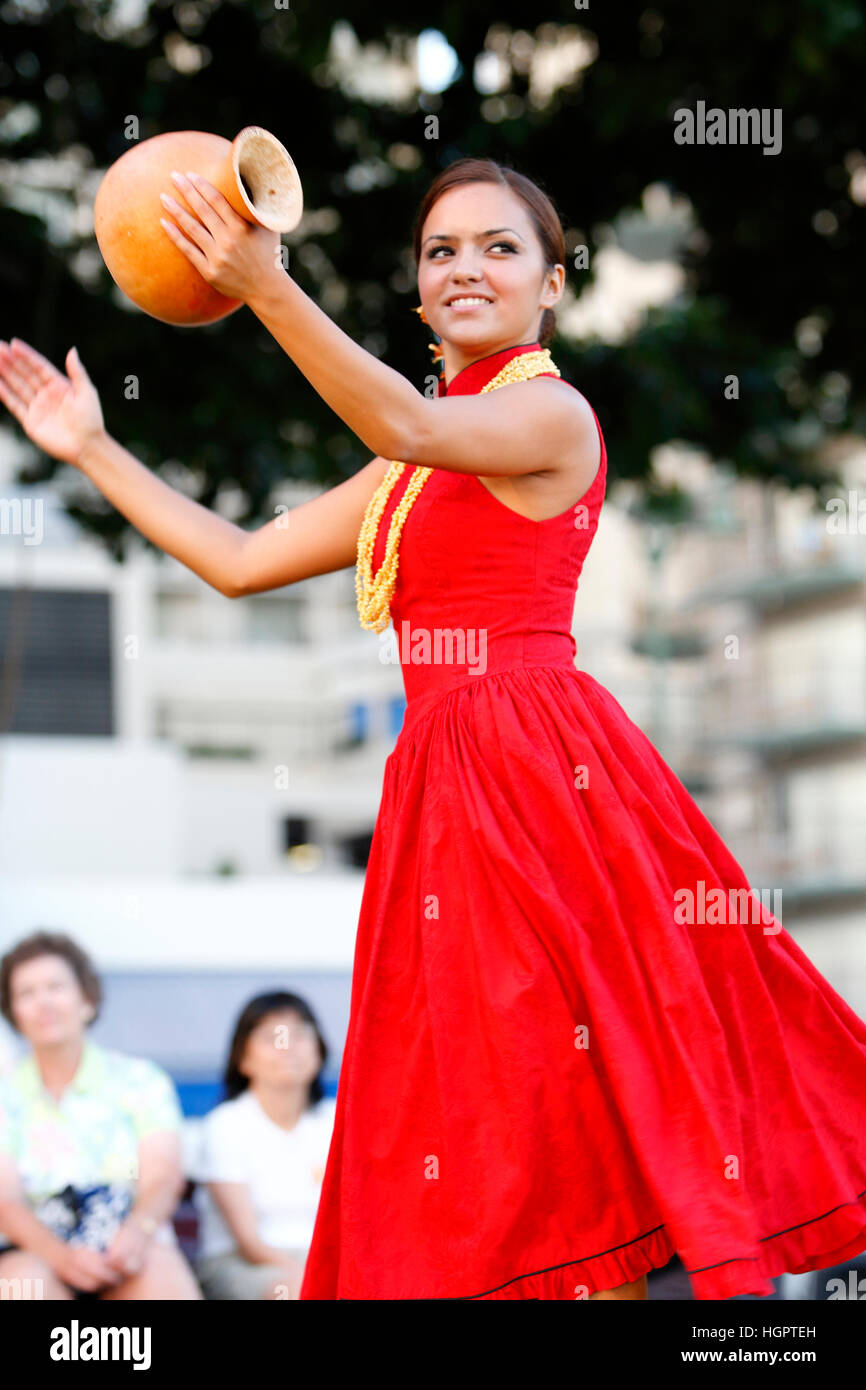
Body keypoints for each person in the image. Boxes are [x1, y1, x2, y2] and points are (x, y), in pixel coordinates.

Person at [1, 154, 865, 1302]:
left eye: (500, 247)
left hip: (539, 770)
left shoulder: (547, 412)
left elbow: (400, 414)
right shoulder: (406, 467)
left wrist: (265, 284)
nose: (465, 267)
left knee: (569, 1104)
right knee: (507, 1125)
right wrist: (95, 450)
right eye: (440, 251)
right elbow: (240, 561)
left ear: (551, 284)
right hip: (444, 789)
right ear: (415, 292)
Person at [0, 931, 201, 1299]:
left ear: (86, 998)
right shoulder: (5, 1094)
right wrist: (60, 1257)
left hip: (133, 1243)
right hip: (34, 1251)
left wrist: (137, 1232)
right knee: (20, 1288)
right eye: (26, 993)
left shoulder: (141, 1080)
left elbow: (163, 1174)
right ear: (13, 1013)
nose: (43, 1002)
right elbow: (6, 1199)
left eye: (55, 987)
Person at [193, 991, 335, 1300]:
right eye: (273, 1037)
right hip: (248, 1266)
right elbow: (250, 1243)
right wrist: (323, 1276)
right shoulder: (226, 1125)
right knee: (299, 1291)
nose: (288, 1048)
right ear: (242, 1059)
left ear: (320, 1051)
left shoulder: (339, 1121)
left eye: (300, 1034)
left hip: (329, 1263)